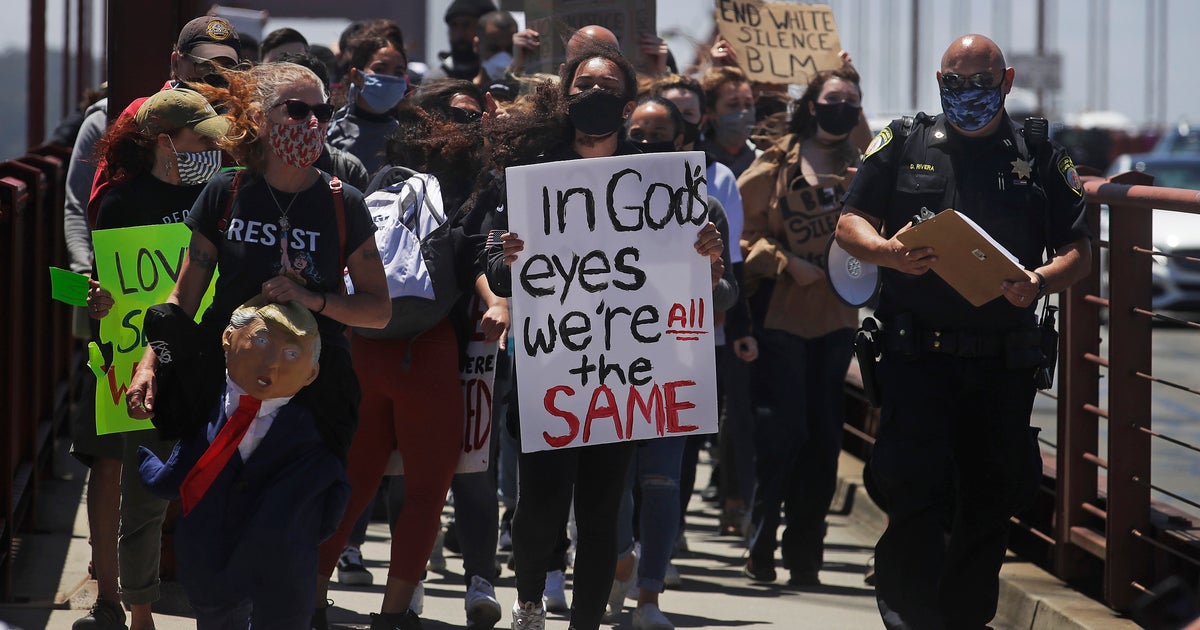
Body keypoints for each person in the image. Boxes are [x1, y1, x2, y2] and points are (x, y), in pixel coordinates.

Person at [834, 34, 1091, 628]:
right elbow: (850, 221)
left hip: (1002, 365)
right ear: (938, 81)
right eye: (954, 84)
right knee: (914, 499)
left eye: (980, 84)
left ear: (1005, 83)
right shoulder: (904, 142)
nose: (966, 95)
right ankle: (908, 618)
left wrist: (1041, 280)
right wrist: (888, 253)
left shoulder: (1041, 154)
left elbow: (1081, 251)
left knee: (987, 507)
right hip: (915, 359)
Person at [478, 41, 724, 630]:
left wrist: (707, 260)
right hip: (549, 372)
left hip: (624, 378)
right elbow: (491, 266)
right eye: (583, 86)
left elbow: (697, 283)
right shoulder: (533, 174)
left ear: (627, 105)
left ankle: (587, 618)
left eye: (607, 90)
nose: (593, 98)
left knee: (601, 511)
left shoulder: (659, 183)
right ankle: (531, 598)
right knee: (538, 506)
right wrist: (506, 256)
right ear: (565, 96)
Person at [124, 60, 390, 484]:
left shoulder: (345, 203)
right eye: (298, 112)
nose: (312, 124)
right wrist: (147, 367)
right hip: (225, 383)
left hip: (307, 393)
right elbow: (182, 298)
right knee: (209, 514)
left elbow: (378, 310)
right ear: (261, 119)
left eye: (322, 114)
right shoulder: (226, 192)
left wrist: (314, 300)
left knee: (284, 528)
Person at [312, 79, 503, 630]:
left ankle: (314, 599)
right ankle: (395, 616)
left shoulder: (384, 176)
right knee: (425, 491)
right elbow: (472, 264)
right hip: (431, 350)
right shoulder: (477, 186)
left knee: (353, 482)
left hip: (365, 344)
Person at [75, 87, 229, 630]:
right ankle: (140, 612)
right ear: (166, 142)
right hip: (148, 367)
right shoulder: (120, 202)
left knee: (219, 492)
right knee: (143, 502)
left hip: (211, 360)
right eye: (200, 139)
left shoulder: (221, 192)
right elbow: (102, 288)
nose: (212, 149)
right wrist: (94, 300)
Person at [604, 95, 738, 630]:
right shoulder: (589, 198)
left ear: (683, 142)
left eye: (660, 135)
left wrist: (708, 268)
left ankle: (650, 598)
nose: (647, 144)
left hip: (673, 362)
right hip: (605, 363)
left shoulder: (706, 209)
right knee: (610, 485)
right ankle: (619, 564)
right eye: (638, 133)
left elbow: (727, 295)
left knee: (661, 482)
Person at [137, 297, 349, 628]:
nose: (272, 362)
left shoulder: (311, 439)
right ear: (227, 338)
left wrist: (298, 535)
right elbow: (175, 474)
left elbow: (334, 498)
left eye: (292, 353)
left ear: (311, 374)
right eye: (261, 340)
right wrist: (146, 465)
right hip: (213, 567)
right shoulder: (205, 417)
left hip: (282, 572)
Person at [736, 65, 865, 587]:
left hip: (838, 322)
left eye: (853, 101)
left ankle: (806, 556)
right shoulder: (775, 164)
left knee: (824, 441)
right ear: (812, 104)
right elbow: (739, 238)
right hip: (784, 320)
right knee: (783, 436)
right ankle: (761, 545)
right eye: (835, 98)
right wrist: (788, 264)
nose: (844, 108)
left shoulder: (864, 167)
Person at [326, 30, 408, 176]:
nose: (389, 78)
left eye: (398, 73)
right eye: (380, 69)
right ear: (356, 76)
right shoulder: (331, 131)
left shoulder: (406, 139)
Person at [698, 66, 759, 178]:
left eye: (748, 105)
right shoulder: (698, 164)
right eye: (733, 105)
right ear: (710, 111)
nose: (743, 113)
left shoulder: (762, 162)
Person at [426, 0, 497, 81]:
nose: (459, 33)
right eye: (454, 25)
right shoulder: (437, 81)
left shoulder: (499, 75)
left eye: (466, 25)